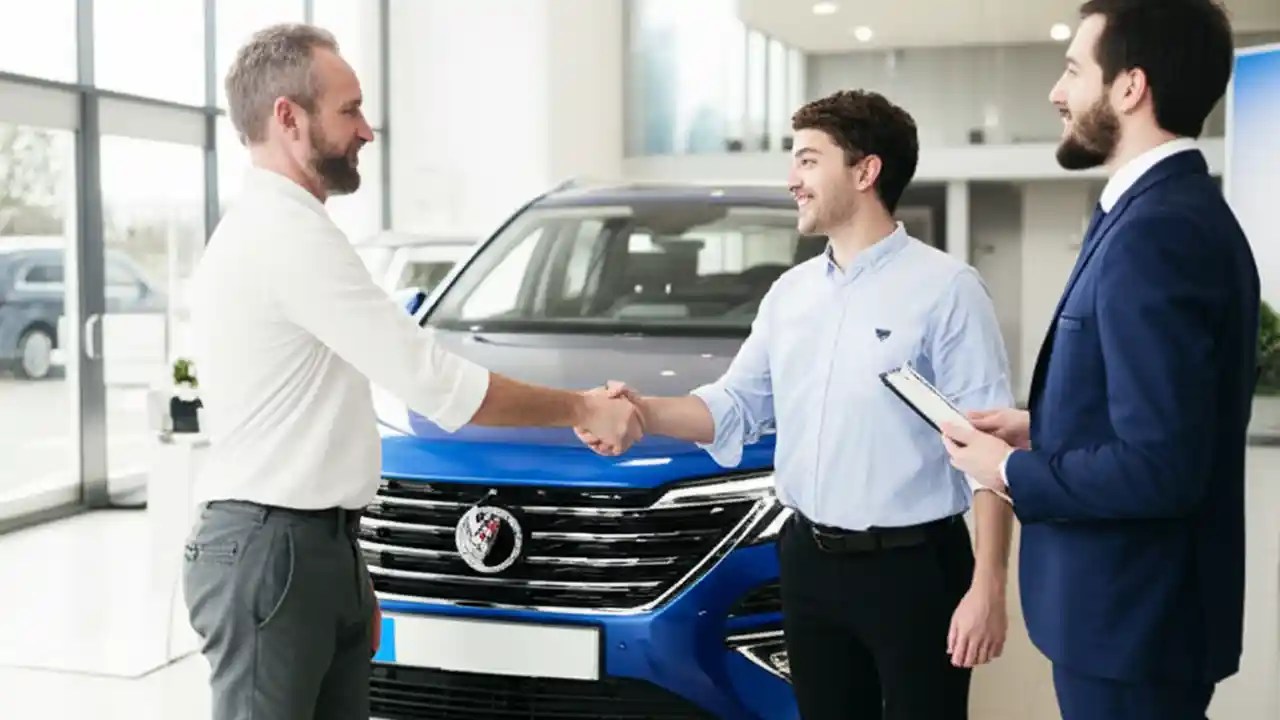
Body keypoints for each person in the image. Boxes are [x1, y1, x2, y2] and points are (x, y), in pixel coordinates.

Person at [182, 24, 642, 720]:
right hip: (273, 550)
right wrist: (583, 408)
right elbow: (436, 384)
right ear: (288, 117)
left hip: (316, 545)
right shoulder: (285, 237)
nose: (367, 130)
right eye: (350, 110)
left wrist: (349, 575)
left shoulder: (286, 229)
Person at [579, 90, 1016, 720]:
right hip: (809, 562)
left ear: (866, 172)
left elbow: (988, 456)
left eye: (809, 161)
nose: (793, 181)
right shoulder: (790, 295)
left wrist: (989, 587)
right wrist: (643, 411)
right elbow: (734, 406)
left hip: (916, 570)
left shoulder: (947, 290)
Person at [942, 2, 1257, 719]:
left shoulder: (1159, 232)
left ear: (1129, 87)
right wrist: (1042, 425)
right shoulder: (1156, 214)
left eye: (1074, 70)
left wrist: (1009, 470)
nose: (1057, 92)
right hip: (1131, 626)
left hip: (1133, 628)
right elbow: (1160, 418)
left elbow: (1161, 468)